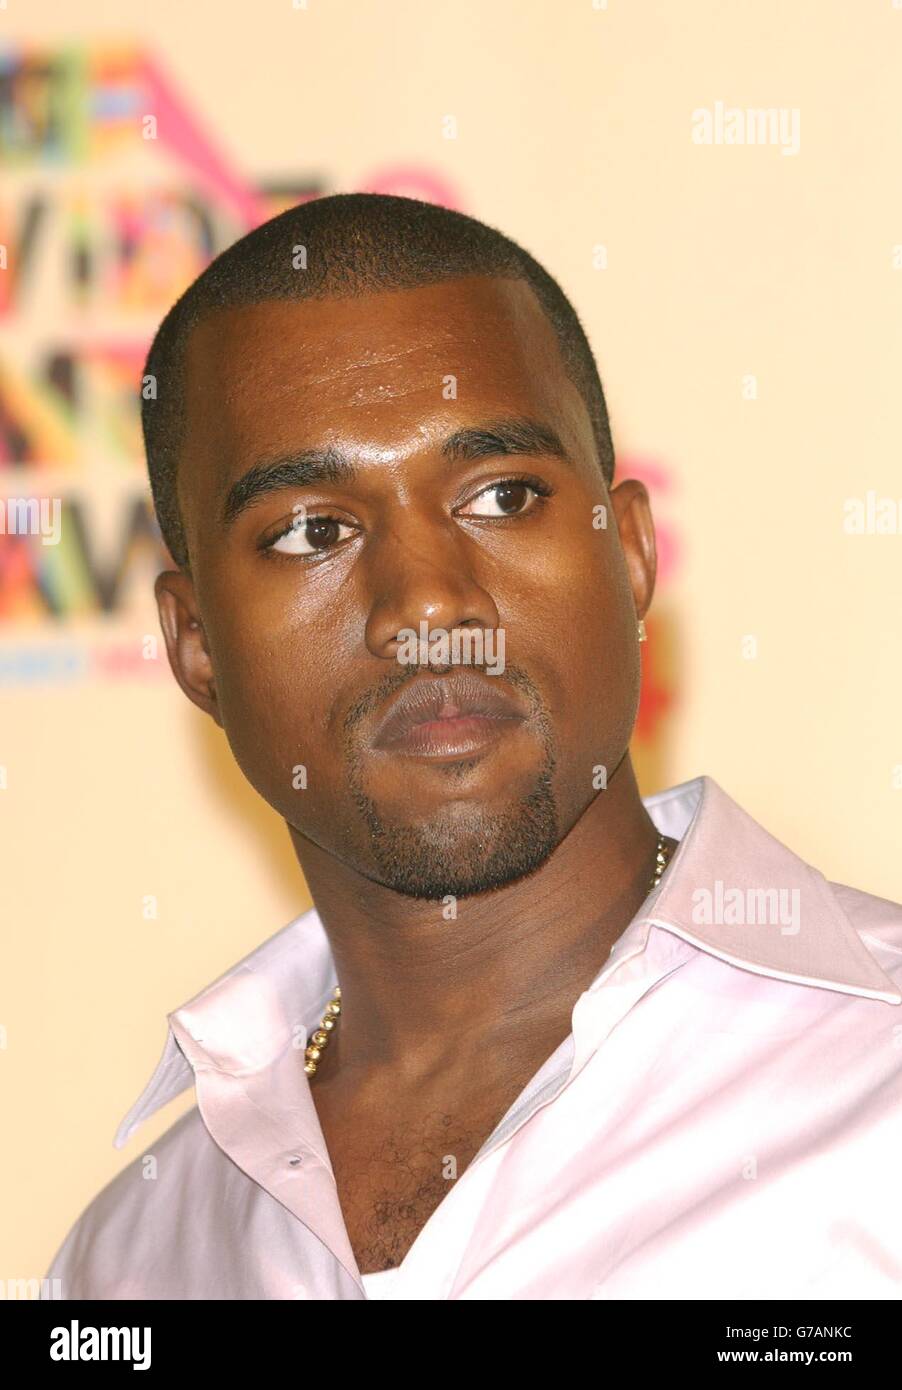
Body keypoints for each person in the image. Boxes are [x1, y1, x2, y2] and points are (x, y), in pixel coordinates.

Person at [46, 193, 902, 1300]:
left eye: (501, 495)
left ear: (629, 555)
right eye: (314, 529)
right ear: (197, 645)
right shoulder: (126, 1267)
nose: (428, 603)